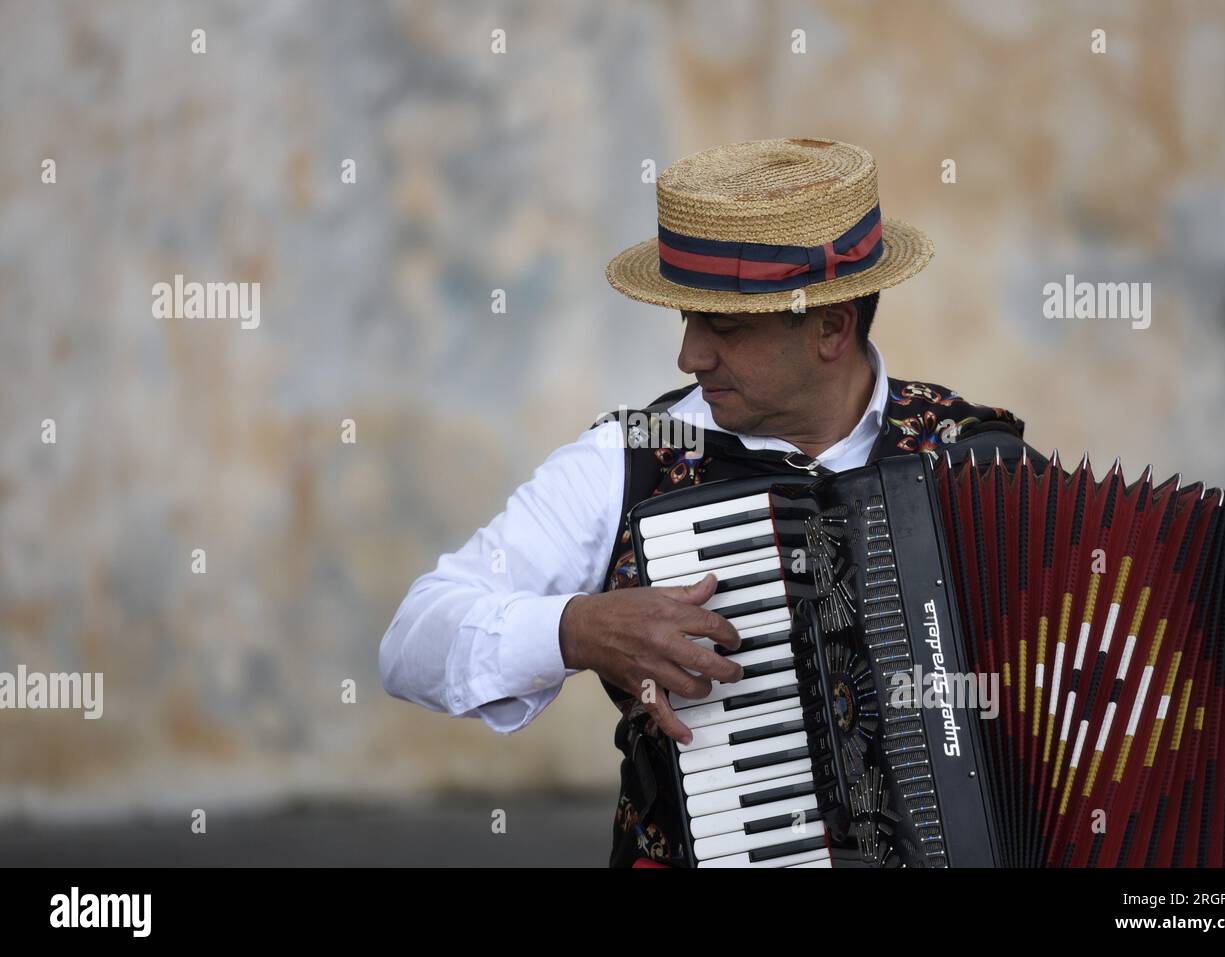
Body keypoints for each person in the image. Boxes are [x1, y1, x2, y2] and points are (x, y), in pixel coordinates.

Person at [380, 137, 1031, 867]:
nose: (690, 355)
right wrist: (575, 627)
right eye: (686, 318)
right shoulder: (626, 461)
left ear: (831, 326)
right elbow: (413, 638)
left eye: (724, 326)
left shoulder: (977, 465)